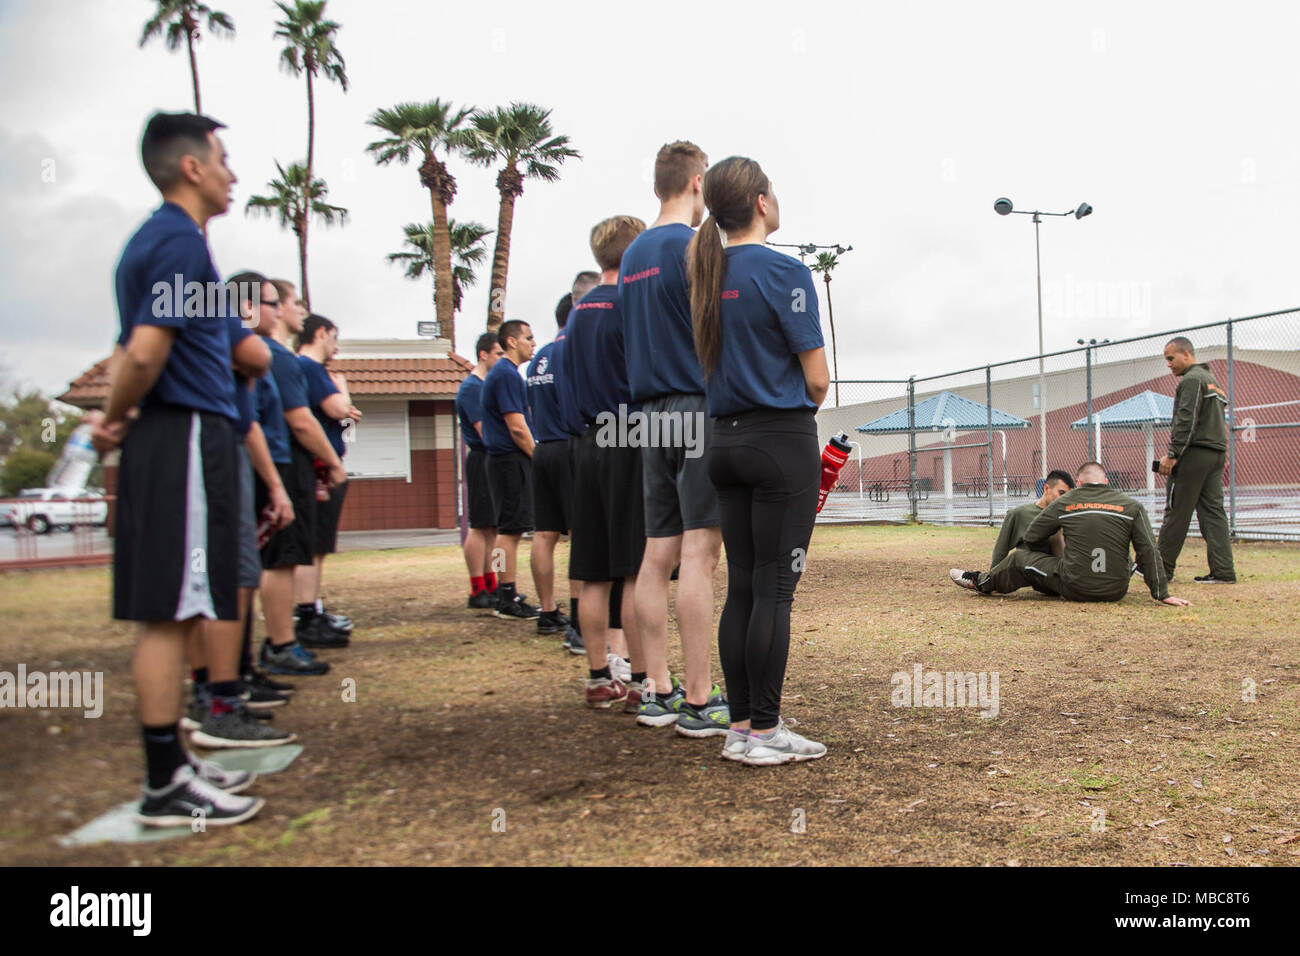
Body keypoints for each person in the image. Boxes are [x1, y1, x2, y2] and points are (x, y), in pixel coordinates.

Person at [92, 111, 266, 826]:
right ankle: (165, 782)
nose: (233, 173)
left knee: (179, 604)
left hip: (174, 434)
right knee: (168, 613)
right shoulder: (176, 242)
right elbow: (142, 353)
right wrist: (113, 415)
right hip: (187, 434)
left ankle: (174, 761)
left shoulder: (156, 244)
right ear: (191, 167)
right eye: (224, 158)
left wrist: (122, 411)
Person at [688, 156, 830, 766]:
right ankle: (765, 731)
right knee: (775, 587)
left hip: (723, 442)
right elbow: (818, 380)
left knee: (743, 586)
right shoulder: (783, 271)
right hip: (779, 442)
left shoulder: (705, 272)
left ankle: (742, 727)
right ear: (763, 203)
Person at [619, 140, 729, 738]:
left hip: (648, 414)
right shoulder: (692, 246)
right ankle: (699, 696)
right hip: (694, 405)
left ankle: (655, 688)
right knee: (698, 555)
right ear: (695, 183)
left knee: (655, 552)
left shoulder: (633, 252)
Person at [183, 272, 297, 749]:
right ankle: (217, 699)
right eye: (270, 303)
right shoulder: (231, 343)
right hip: (221, 463)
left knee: (231, 579)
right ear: (247, 306)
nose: (276, 313)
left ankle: (225, 684)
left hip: (227, 463)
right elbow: (249, 425)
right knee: (227, 581)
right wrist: (276, 486)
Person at [559, 216, 650, 708]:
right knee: (637, 567)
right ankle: (643, 679)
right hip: (630, 436)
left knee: (593, 570)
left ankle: (598, 676)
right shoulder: (630, 306)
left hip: (586, 441)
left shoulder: (577, 315)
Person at [949, 462, 1192, 607]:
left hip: (1076, 585)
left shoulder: (1068, 501)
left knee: (1019, 558)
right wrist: (1163, 594)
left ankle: (980, 581)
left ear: (1078, 482)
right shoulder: (1131, 505)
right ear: (1106, 481)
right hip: (1116, 589)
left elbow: (1033, 535)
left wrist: (1061, 531)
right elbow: (1148, 550)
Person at [258, 280, 346, 672]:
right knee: (283, 556)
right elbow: (302, 420)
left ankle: (283, 638)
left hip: (284, 465)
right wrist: (334, 462)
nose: (295, 311)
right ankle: (282, 642)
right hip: (287, 465)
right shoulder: (282, 360)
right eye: (291, 303)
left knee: (289, 555)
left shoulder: (274, 358)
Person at [296, 314, 363, 643]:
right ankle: (306, 614)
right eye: (334, 338)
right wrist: (342, 391)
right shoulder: (310, 368)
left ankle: (313, 607)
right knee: (311, 545)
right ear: (320, 333)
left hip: (321, 466)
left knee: (319, 546)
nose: (335, 347)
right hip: (319, 469)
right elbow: (339, 409)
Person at [1155, 337, 1236, 583]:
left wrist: (1173, 454)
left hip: (1194, 454)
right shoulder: (1212, 381)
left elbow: (1185, 420)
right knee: (1213, 513)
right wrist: (1224, 452)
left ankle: (1161, 570)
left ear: (1187, 354)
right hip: (1215, 454)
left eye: (1171, 358)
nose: (1168, 364)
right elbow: (1220, 422)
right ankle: (1223, 572)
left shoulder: (1191, 380)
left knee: (1177, 511)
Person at [480, 320, 541, 620]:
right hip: (507, 460)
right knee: (509, 531)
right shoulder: (506, 375)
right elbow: (517, 427)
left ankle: (506, 591)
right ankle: (506, 595)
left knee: (510, 529)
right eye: (528, 337)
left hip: (505, 460)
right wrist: (536, 456)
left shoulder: (507, 374)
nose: (533, 342)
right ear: (512, 342)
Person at [526, 301, 580, 640]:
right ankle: (578, 616)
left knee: (544, 534)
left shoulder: (537, 359)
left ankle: (547, 610)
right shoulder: (570, 353)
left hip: (542, 447)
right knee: (581, 534)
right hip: (568, 447)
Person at [457, 332, 506, 611]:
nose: (502, 359)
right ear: (484, 354)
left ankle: (495, 583)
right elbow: (483, 431)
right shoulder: (472, 388)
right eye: (498, 354)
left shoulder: (486, 386)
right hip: (482, 458)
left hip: (495, 458)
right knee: (480, 527)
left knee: (495, 528)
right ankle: (478, 588)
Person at [990, 468, 1074, 566]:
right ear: (1046, 489)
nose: (1064, 499)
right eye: (1061, 493)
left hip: (1059, 575)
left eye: (1068, 496)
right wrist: (993, 578)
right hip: (1029, 575)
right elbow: (1000, 551)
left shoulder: (1070, 517)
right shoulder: (1020, 514)